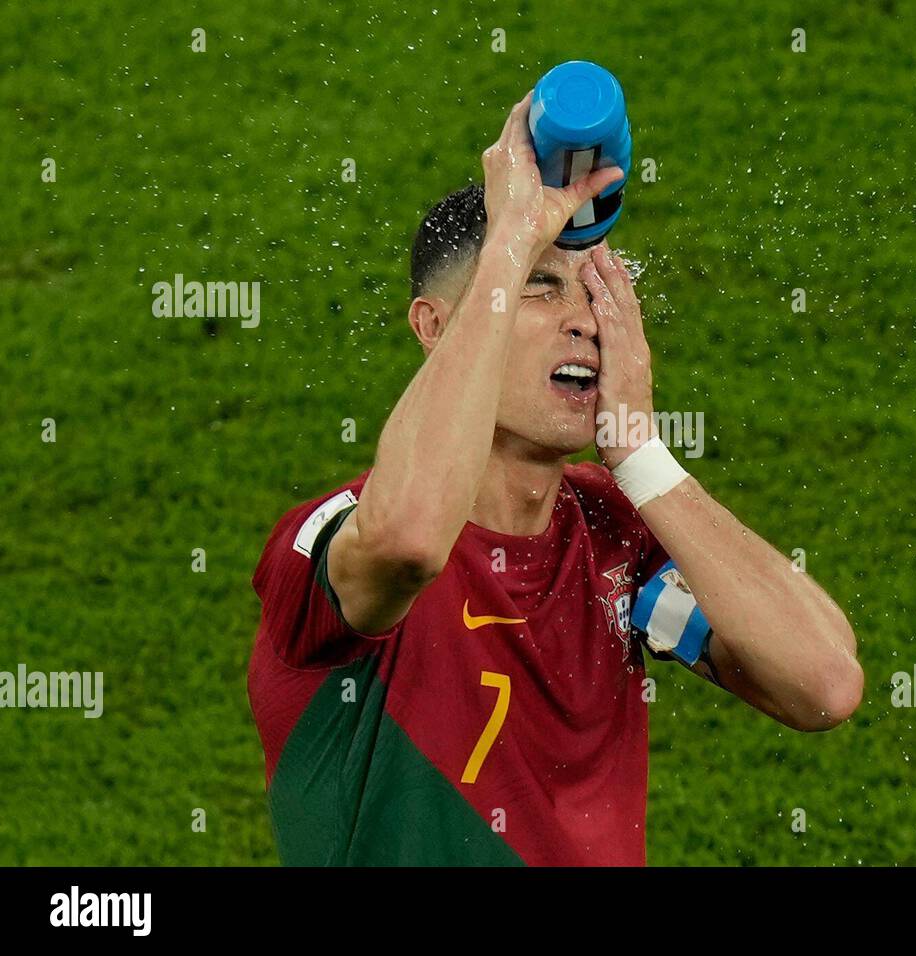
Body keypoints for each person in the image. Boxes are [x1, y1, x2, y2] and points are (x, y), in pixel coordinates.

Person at [248, 91, 863, 866]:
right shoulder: (329, 538)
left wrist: (640, 452)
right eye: (540, 287)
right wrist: (512, 237)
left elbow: (824, 684)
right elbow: (408, 542)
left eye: (593, 290)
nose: (584, 320)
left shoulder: (617, 543)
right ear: (435, 327)